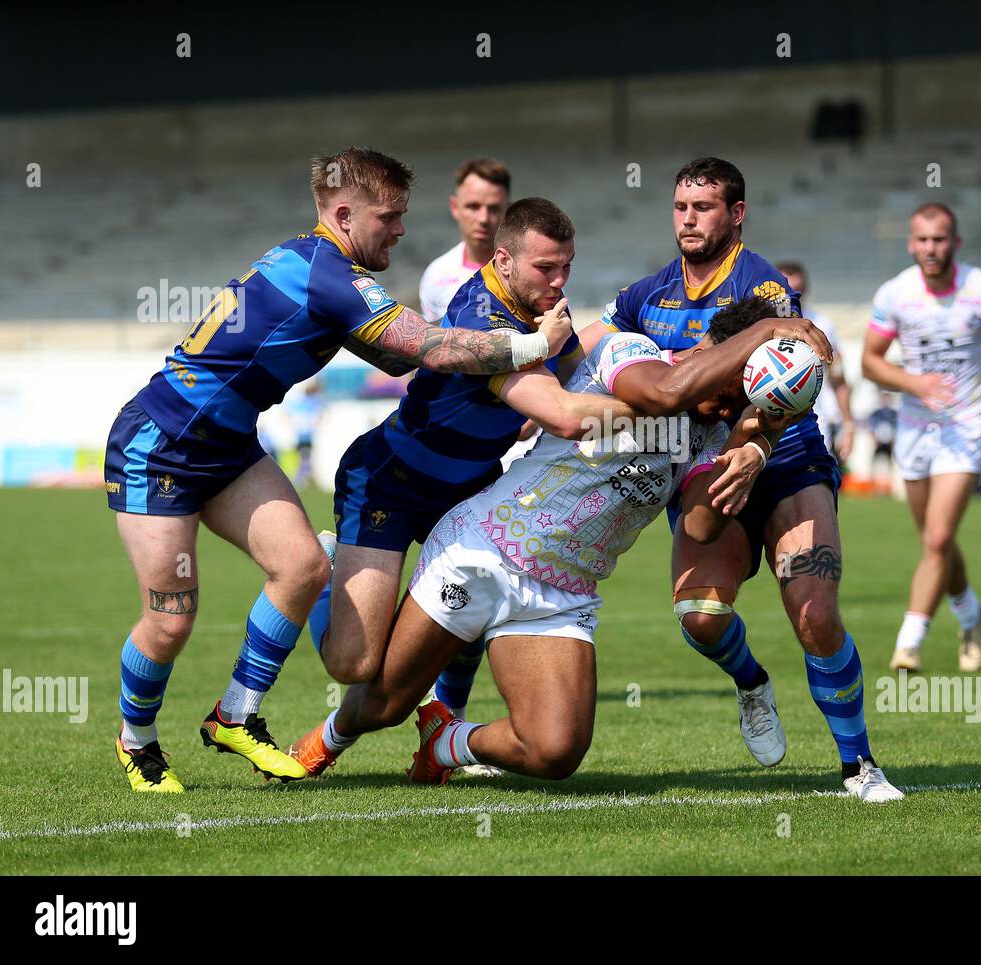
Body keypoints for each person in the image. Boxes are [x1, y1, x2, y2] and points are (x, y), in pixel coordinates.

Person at [292, 299, 901, 801]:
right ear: (718, 356)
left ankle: (447, 743)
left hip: (562, 592)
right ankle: (327, 731)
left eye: (743, 403)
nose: (727, 408)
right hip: (485, 550)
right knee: (384, 701)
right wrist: (771, 326)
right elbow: (663, 394)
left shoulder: (715, 431)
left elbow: (699, 527)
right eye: (732, 392)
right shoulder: (630, 351)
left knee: (554, 751)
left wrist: (747, 449)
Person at [103, 147, 572, 793]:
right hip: (159, 446)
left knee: (301, 567)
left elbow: (400, 359)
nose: (401, 229)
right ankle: (138, 742)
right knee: (171, 620)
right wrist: (531, 344)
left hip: (228, 446)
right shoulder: (328, 273)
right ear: (346, 214)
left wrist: (454, 342)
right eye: (391, 216)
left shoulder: (321, 265)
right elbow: (421, 346)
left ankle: (234, 715)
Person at [428, 156, 886, 793]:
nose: (689, 219)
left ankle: (858, 765)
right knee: (700, 615)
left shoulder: (766, 291)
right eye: (680, 207)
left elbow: (793, 373)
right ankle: (752, 682)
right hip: (697, 459)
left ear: (737, 214)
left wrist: (754, 449)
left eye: (703, 207)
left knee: (812, 612)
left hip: (781, 459)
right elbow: (594, 342)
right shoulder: (650, 293)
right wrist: (531, 385)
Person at [305, 199, 631, 703]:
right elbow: (565, 414)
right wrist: (660, 405)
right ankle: (326, 571)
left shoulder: (544, 310)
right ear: (504, 261)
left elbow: (569, 375)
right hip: (393, 483)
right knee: (356, 665)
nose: (559, 280)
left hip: (467, 487)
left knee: (472, 605)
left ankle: (444, 727)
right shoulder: (483, 315)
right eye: (546, 268)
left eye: (567, 266)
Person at [862, 202, 981, 673]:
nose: (931, 248)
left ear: (956, 242)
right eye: (922, 239)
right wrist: (915, 384)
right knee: (936, 540)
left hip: (968, 424)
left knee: (937, 538)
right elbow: (870, 361)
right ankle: (974, 617)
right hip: (914, 426)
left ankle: (908, 644)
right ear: (911, 243)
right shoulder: (895, 293)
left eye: (940, 239)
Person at [775, 261, 855, 464]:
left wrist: (848, 424)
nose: (791, 298)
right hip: (765, 418)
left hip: (813, 421)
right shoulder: (757, 324)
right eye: (785, 291)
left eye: (798, 291)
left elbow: (838, 374)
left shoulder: (821, 325)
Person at [418, 158, 511, 323]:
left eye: (494, 208)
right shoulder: (436, 275)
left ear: (508, 211)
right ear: (455, 207)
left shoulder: (529, 271)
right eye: (473, 207)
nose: (483, 218)